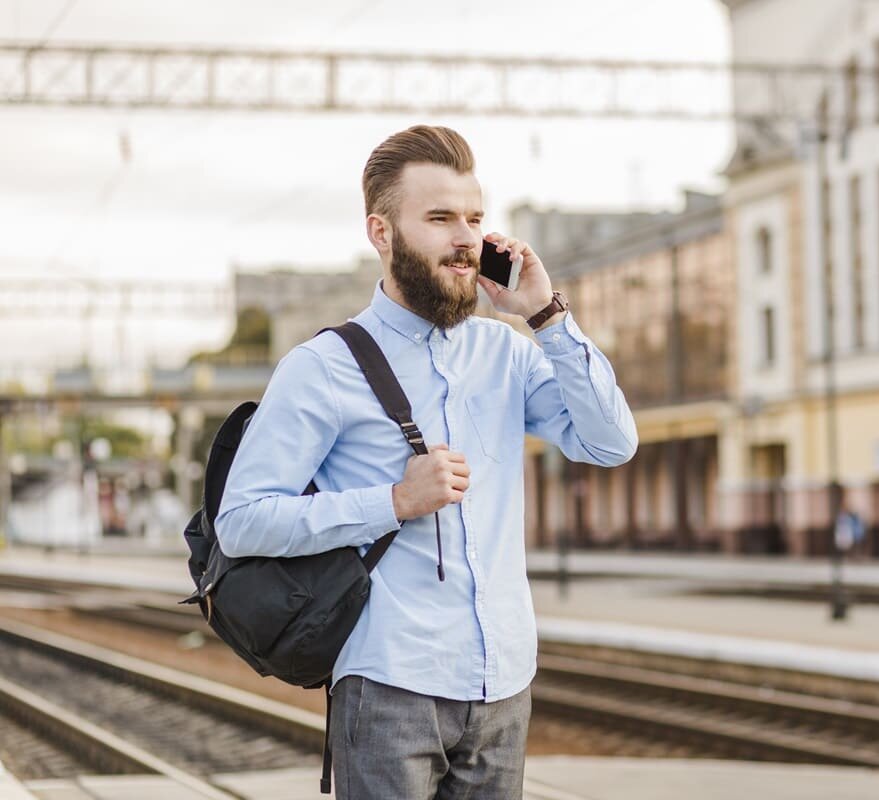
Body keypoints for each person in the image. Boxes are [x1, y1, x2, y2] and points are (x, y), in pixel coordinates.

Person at [215, 125, 638, 799]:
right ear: (381, 233)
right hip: (390, 683)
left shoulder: (508, 353)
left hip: (502, 685)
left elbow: (611, 442)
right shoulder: (321, 368)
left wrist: (547, 316)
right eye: (440, 218)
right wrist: (393, 501)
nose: (465, 238)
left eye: (474, 218)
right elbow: (241, 522)